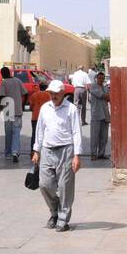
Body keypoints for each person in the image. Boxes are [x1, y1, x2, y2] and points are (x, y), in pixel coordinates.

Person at [31, 80, 82, 232]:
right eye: (51, 93)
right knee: (44, 184)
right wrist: (36, 150)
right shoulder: (45, 108)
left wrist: (77, 155)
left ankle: (63, 217)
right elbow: (40, 130)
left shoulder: (71, 109)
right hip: (47, 149)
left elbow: (76, 132)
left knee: (65, 186)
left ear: (62, 93)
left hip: (66, 150)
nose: (53, 96)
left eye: (55, 93)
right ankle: (54, 212)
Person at [0, 67, 25, 163]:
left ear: (2, 74)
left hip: (8, 112)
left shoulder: (4, 83)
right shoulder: (18, 81)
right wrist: (23, 105)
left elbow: (1, 97)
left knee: (8, 133)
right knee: (16, 133)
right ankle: (15, 152)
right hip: (17, 111)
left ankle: (8, 153)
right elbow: (25, 93)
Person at [87, 72, 110, 160]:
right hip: (96, 114)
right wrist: (107, 95)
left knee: (104, 137)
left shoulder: (104, 87)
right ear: (96, 78)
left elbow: (108, 97)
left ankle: (101, 153)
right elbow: (103, 96)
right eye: (99, 78)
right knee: (95, 136)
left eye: (102, 78)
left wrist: (107, 96)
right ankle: (93, 154)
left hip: (105, 114)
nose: (101, 79)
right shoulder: (93, 86)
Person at [27, 84, 51, 148]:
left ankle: (33, 150)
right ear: (46, 87)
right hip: (45, 118)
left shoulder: (34, 95)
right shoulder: (49, 95)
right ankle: (43, 149)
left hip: (35, 117)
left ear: (39, 87)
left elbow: (31, 107)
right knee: (45, 134)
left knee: (34, 134)